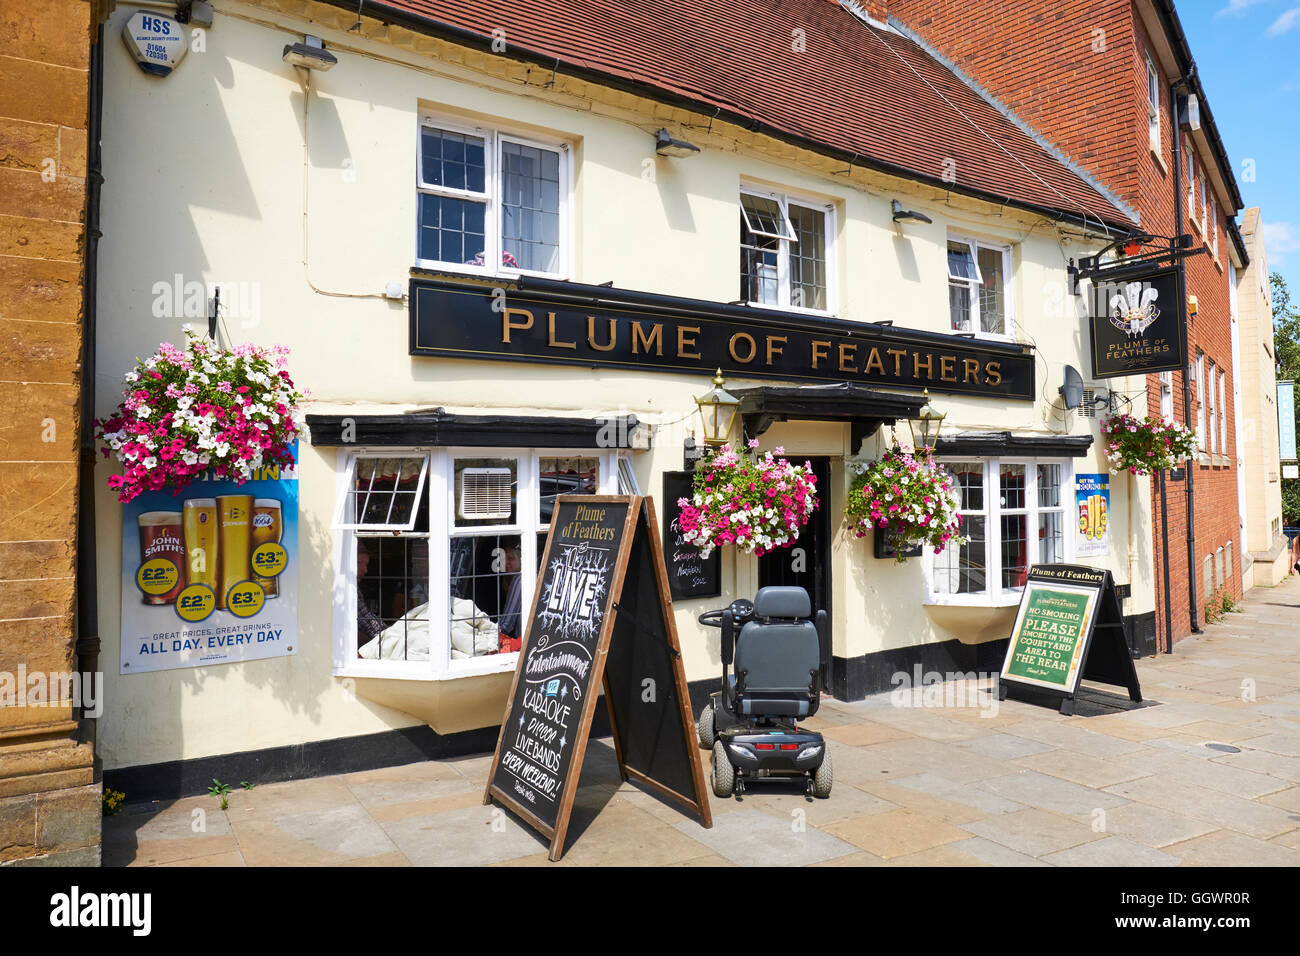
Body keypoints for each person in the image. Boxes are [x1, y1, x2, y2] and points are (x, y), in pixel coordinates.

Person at [356, 541, 384, 653]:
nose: (365, 570)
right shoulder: (348, 589)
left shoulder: (353, 588)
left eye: (366, 564)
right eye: (359, 562)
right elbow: (368, 624)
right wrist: (390, 635)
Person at [497, 544, 523, 652]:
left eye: (511, 558)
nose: (506, 563)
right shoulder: (513, 580)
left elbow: (507, 624)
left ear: (522, 559)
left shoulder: (519, 579)